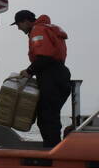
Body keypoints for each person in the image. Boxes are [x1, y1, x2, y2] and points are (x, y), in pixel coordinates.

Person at [12, 9, 71, 146]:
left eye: (18, 25)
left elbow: (45, 57)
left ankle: (52, 150)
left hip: (51, 76)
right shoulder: (47, 29)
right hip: (58, 75)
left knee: (47, 117)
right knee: (49, 115)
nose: (18, 28)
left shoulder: (37, 31)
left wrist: (29, 71)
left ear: (26, 21)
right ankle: (54, 147)